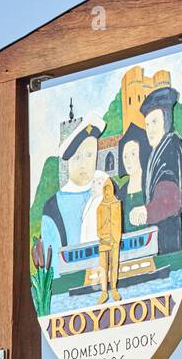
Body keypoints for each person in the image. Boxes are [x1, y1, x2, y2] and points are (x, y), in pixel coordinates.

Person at [39, 118, 106, 277]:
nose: (84, 164)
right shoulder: (53, 207)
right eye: (77, 157)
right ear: (68, 161)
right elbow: (52, 262)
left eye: (89, 155)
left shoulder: (106, 194)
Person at [131, 86, 182, 254]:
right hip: (155, 240)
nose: (150, 129)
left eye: (154, 122)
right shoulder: (154, 153)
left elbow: (170, 197)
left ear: (166, 120)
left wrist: (146, 211)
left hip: (168, 238)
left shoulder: (171, 144)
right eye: (147, 124)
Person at [118, 123, 151, 232]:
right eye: (125, 156)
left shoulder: (150, 184)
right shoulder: (121, 192)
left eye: (133, 154)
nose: (128, 160)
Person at [95, 172, 122, 303]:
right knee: (103, 267)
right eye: (104, 190)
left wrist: (114, 239)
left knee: (114, 265)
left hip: (114, 242)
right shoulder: (100, 207)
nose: (106, 192)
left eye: (108, 189)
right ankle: (104, 292)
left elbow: (118, 224)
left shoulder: (117, 205)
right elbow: (98, 227)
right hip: (103, 241)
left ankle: (114, 289)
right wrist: (102, 235)